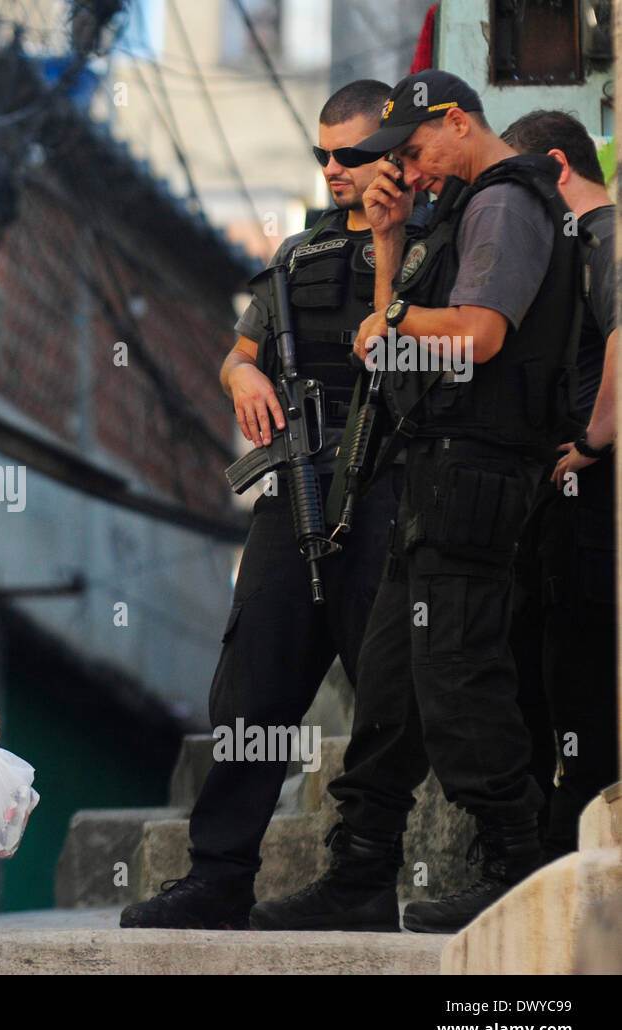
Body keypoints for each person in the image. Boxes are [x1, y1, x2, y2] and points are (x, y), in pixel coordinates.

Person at [251, 71, 584, 934]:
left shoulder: (504, 204)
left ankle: (517, 868)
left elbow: (477, 335)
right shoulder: (460, 208)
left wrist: (390, 328)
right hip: (432, 476)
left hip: (474, 476)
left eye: (414, 150)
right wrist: (393, 245)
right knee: (392, 691)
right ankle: (359, 873)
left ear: (456, 120)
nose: (409, 168)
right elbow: (391, 346)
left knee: (457, 679)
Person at [120, 81, 404, 930]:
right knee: (252, 693)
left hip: (391, 489)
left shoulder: (442, 239)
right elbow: (241, 352)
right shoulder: (300, 255)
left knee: (392, 700)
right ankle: (218, 876)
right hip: (296, 492)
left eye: (349, 155)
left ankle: (365, 879)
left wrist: (393, 243)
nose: (333, 170)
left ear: (394, 152)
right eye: (324, 155)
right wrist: (242, 375)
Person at [502, 110, 618, 861]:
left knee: (578, 678)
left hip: (594, 500)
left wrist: (592, 438)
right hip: (570, 508)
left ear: (556, 166)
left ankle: (566, 857)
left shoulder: (607, 234)